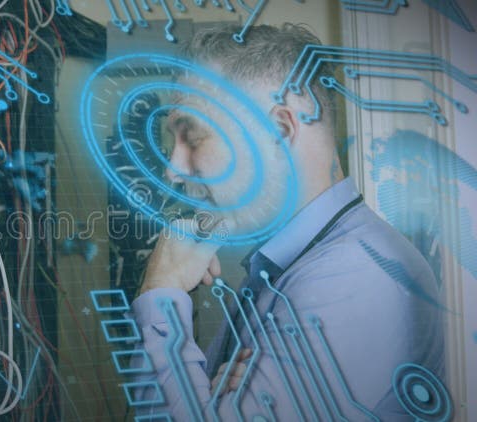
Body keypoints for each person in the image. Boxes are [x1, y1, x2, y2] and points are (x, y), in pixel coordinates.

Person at [129, 23, 444, 420]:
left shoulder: (353, 278)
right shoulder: (290, 268)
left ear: (278, 130)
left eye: (191, 137)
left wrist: (162, 290)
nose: (173, 171)